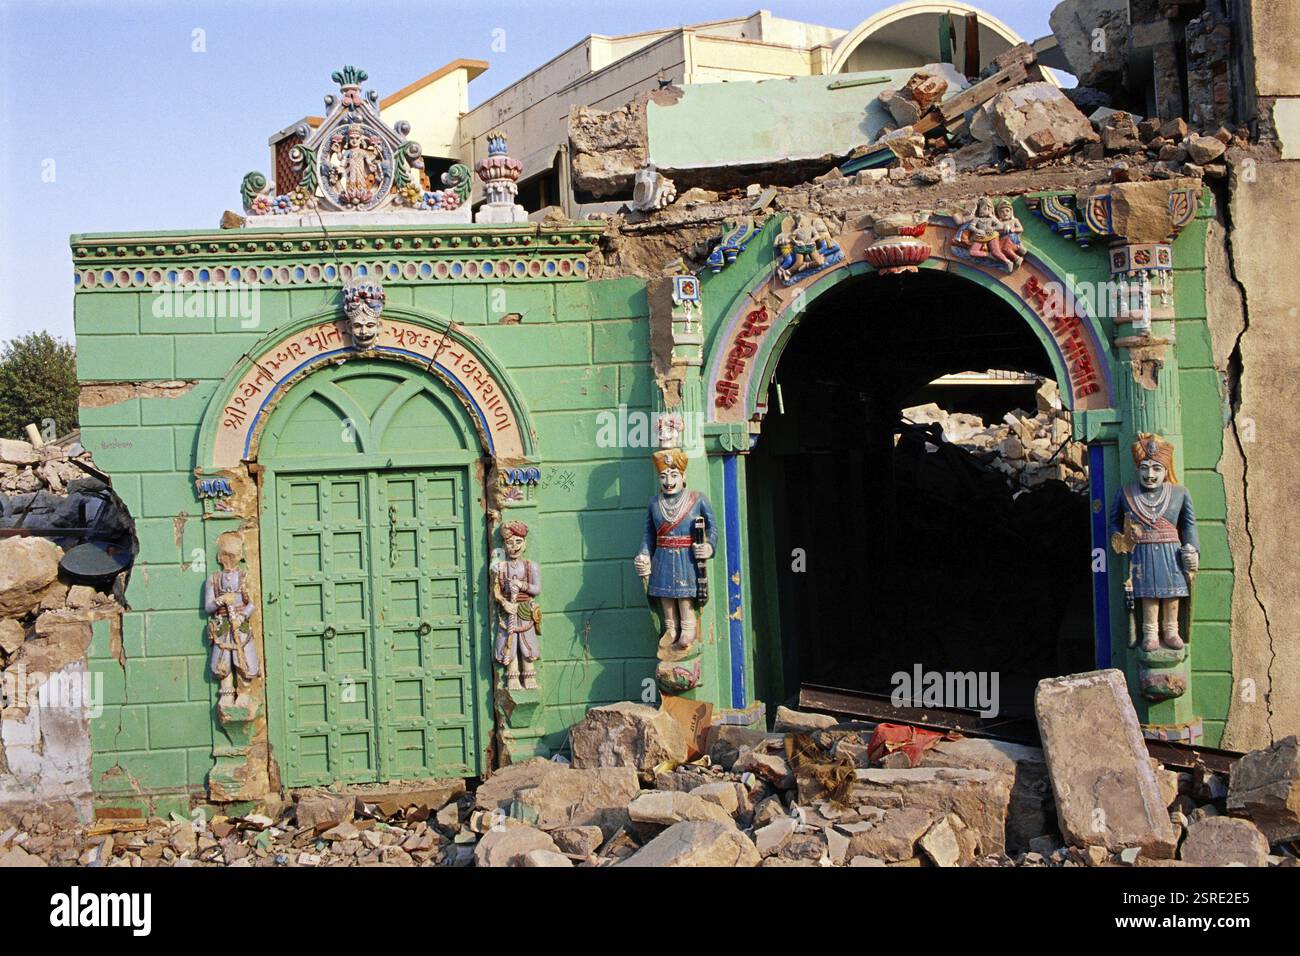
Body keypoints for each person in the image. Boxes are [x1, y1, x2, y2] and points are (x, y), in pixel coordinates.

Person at [1110, 433, 1199, 651]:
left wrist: (1193, 548)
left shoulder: (1180, 493)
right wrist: (1120, 538)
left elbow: (1188, 525)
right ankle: (1150, 632)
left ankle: (1171, 631)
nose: (1150, 475)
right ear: (1138, 469)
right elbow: (1113, 521)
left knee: (1172, 592)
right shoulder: (1126, 494)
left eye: (1156, 469)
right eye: (1145, 468)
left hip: (1172, 553)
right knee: (1148, 592)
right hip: (1142, 553)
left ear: (1166, 471)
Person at [634, 449, 717, 649]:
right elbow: (649, 533)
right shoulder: (655, 503)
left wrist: (709, 546)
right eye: (663, 476)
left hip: (686, 558)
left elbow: (713, 527)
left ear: (683, 476)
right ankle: (670, 629)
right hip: (662, 556)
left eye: (673, 475)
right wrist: (644, 553)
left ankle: (687, 628)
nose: (668, 481)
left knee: (683, 595)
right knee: (666, 595)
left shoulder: (697, 499)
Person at [492, 521, 541, 689]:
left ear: (525, 543)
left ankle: (529, 676)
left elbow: (536, 589)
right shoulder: (501, 567)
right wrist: (504, 603)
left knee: (527, 642)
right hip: (508, 611)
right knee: (509, 642)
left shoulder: (530, 566)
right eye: (510, 542)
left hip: (525, 610)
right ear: (504, 545)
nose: (514, 546)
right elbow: (496, 590)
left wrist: (522, 586)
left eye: (518, 542)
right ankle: (512, 676)